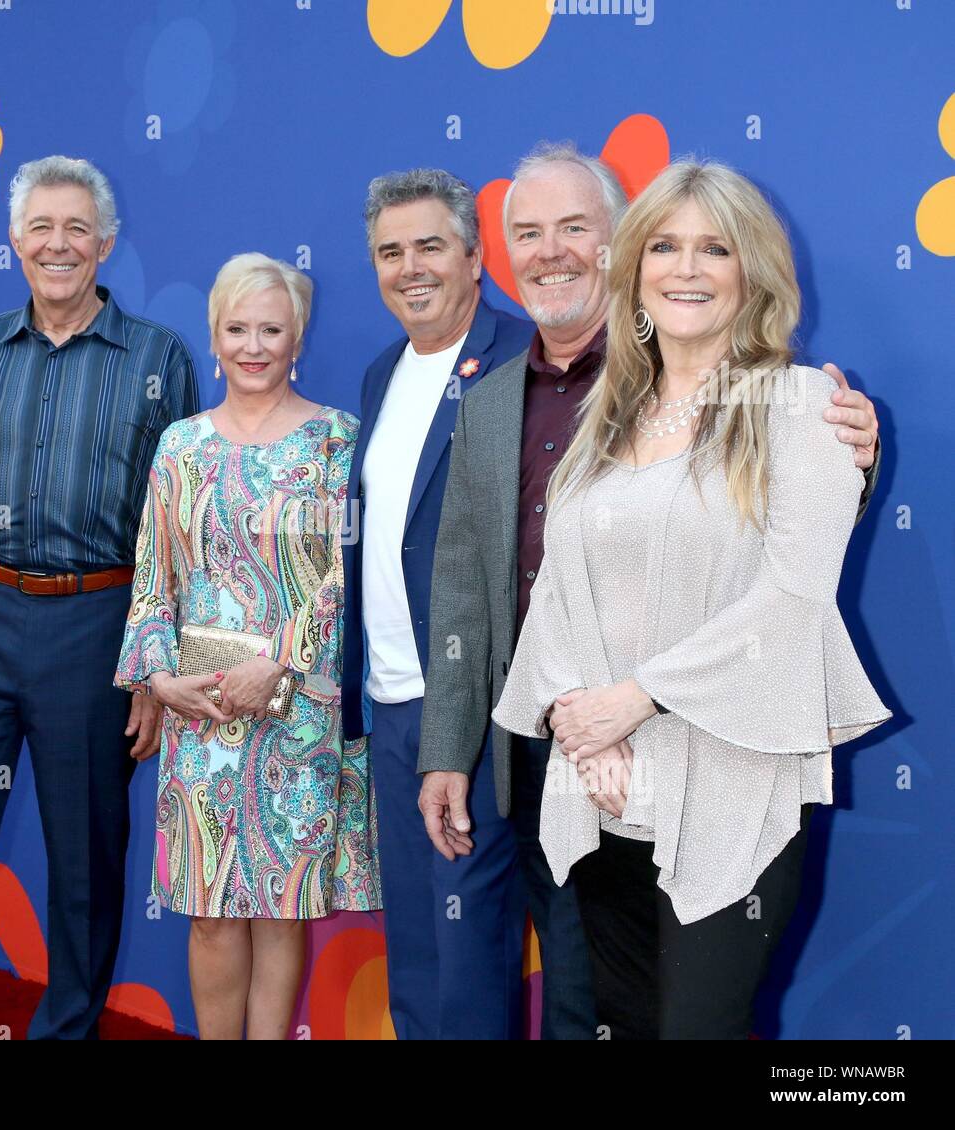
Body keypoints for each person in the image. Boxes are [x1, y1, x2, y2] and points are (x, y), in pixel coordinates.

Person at [416, 144, 884, 1040]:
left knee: (698, 1030)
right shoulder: (607, 420)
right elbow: (555, 591)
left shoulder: (800, 408)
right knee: (620, 1026)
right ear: (631, 273)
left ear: (755, 273)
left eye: (716, 248)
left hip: (730, 782)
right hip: (602, 787)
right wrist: (580, 726)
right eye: (664, 247)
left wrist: (632, 702)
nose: (687, 269)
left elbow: (791, 603)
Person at [0, 156, 198, 1040]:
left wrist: (151, 668)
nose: (58, 245)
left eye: (76, 229)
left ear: (106, 242)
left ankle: (66, 1030)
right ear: (14, 242)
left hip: (99, 623)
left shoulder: (158, 358)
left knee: (88, 858)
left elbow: (170, 527)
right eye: (40, 229)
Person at [115, 252, 379, 1040]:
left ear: (298, 338)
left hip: (297, 714)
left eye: (272, 328)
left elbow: (346, 575)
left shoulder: (336, 440)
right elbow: (153, 573)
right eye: (238, 328)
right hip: (200, 714)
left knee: (280, 910)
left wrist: (284, 662)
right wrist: (157, 679)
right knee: (209, 913)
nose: (255, 344)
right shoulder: (180, 446)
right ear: (215, 338)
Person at [338, 169, 560, 1040]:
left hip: (472, 701)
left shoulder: (521, 356)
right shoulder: (380, 373)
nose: (410, 267)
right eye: (390, 252)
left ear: (475, 256)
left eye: (431, 245)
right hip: (388, 700)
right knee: (418, 947)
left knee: (470, 950)